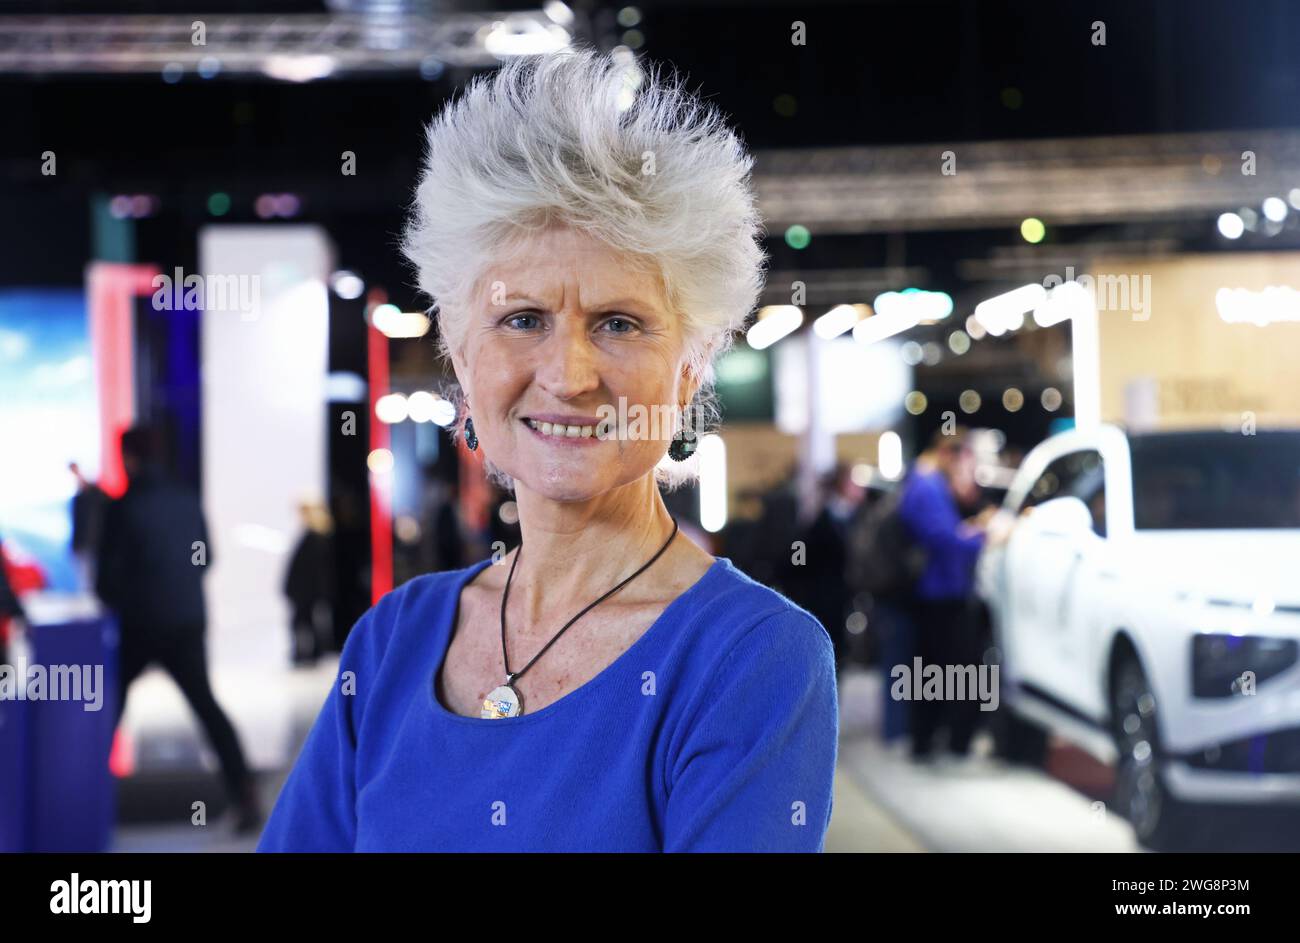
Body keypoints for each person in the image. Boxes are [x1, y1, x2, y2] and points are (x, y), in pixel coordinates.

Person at [258, 48, 838, 852]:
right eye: (523, 318)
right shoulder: (393, 641)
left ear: (693, 361)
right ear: (463, 354)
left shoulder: (751, 659)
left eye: (619, 323)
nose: (568, 376)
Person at [96, 426, 263, 834]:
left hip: (141, 623)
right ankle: (244, 796)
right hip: (186, 620)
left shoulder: (124, 507)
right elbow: (204, 558)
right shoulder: (186, 499)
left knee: (107, 708)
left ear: (127, 458)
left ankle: (83, 801)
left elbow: (107, 579)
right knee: (207, 707)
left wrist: (129, 599)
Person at [896, 427, 990, 761]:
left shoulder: (928, 483)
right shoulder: (927, 485)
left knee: (937, 671)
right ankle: (930, 741)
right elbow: (944, 540)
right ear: (951, 455)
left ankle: (933, 739)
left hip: (940, 593)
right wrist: (984, 535)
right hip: (936, 594)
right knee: (936, 672)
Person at [790, 464, 865, 670]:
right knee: (830, 651)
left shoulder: (850, 516)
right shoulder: (825, 519)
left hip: (838, 595)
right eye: (855, 483)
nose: (861, 489)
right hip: (824, 596)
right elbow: (800, 560)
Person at [283, 498, 335, 666]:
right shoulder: (313, 535)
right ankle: (307, 652)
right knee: (305, 621)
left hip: (306, 591)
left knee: (304, 622)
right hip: (304, 590)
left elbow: (312, 570)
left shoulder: (314, 537)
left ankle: (307, 653)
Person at [68, 462, 109, 593]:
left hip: (95, 544)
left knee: (94, 580)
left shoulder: (97, 496)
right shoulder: (79, 499)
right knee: (86, 582)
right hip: (82, 544)